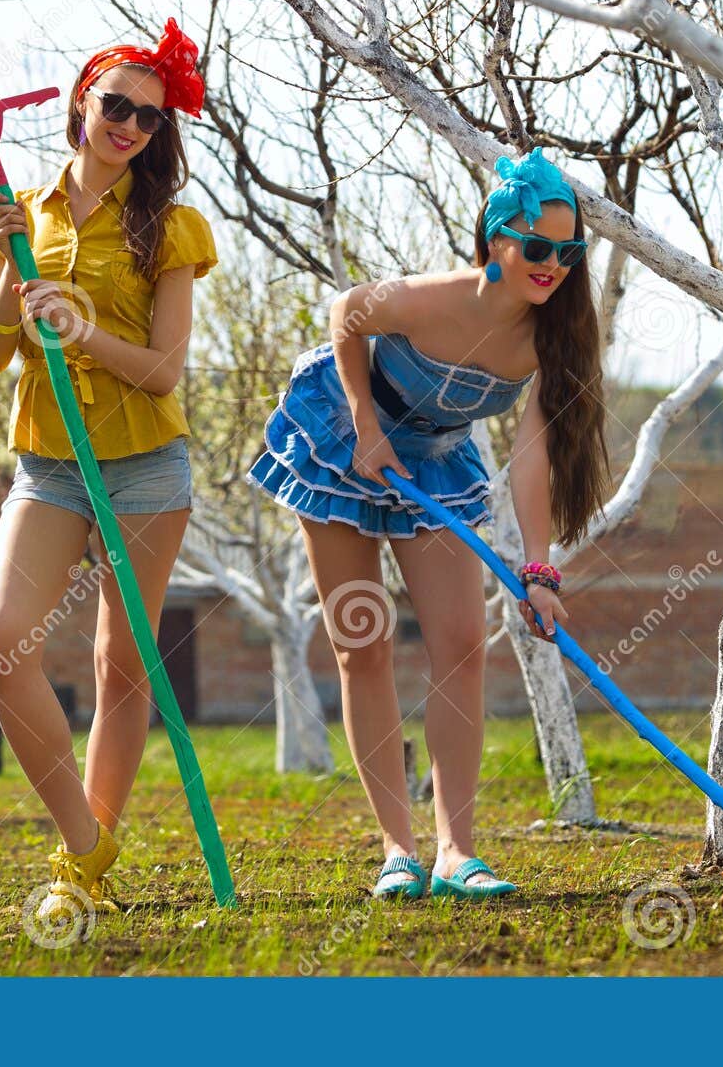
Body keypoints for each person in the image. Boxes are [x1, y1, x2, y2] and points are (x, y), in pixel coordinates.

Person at [247, 148, 610, 899]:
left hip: (438, 462)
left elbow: (534, 459)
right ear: (495, 241)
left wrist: (539, 571)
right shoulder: (430, 298)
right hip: (344, 439)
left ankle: (455, 851)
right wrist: (364, 420)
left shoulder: (549, 339)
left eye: (567, 253)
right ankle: (396, 851)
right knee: (363, 643)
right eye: (537, 248)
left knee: (462, 645)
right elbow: (346, 311)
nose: (553, 266)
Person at [0, 19, 217, 922]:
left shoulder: (172, 226)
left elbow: (164, 370)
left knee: (123, 663)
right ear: (82, 101)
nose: (131, 127)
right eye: (117, 105)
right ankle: (84, 836)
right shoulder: (19, 213)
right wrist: (4, 266)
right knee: (2, 641)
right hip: (49, 465)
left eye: (150, 118)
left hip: (146, 464)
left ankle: (86, 874)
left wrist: (84, 332)